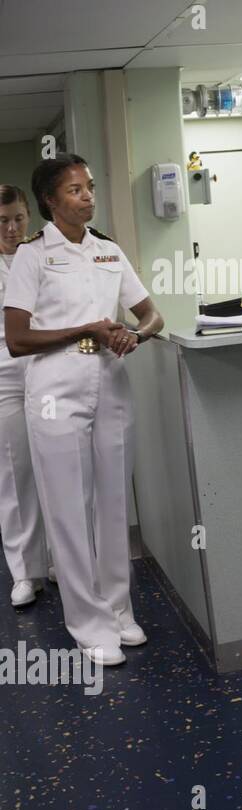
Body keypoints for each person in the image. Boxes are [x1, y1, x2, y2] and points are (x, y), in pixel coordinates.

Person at [3, 154, 165, 666]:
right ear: (51, 201)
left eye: (91, 187)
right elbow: (17, 338)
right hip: (55, 389)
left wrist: (135, 334)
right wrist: (86, 329)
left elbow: (151, 314)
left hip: (111, 383)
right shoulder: (32, 255)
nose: (88, 196)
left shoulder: (108, 251)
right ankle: (88, 624)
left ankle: (118, 609)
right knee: (70, 509)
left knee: (114, 503)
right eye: (75, 190)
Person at [0, 184, 53, 608]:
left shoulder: (42, 256)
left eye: (18, 218)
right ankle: (25, 573)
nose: (12, 228)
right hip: (3, 376)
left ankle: (58, 560)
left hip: (47, 367)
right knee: (15, 473)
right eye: (2, 222)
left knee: (58, 465)